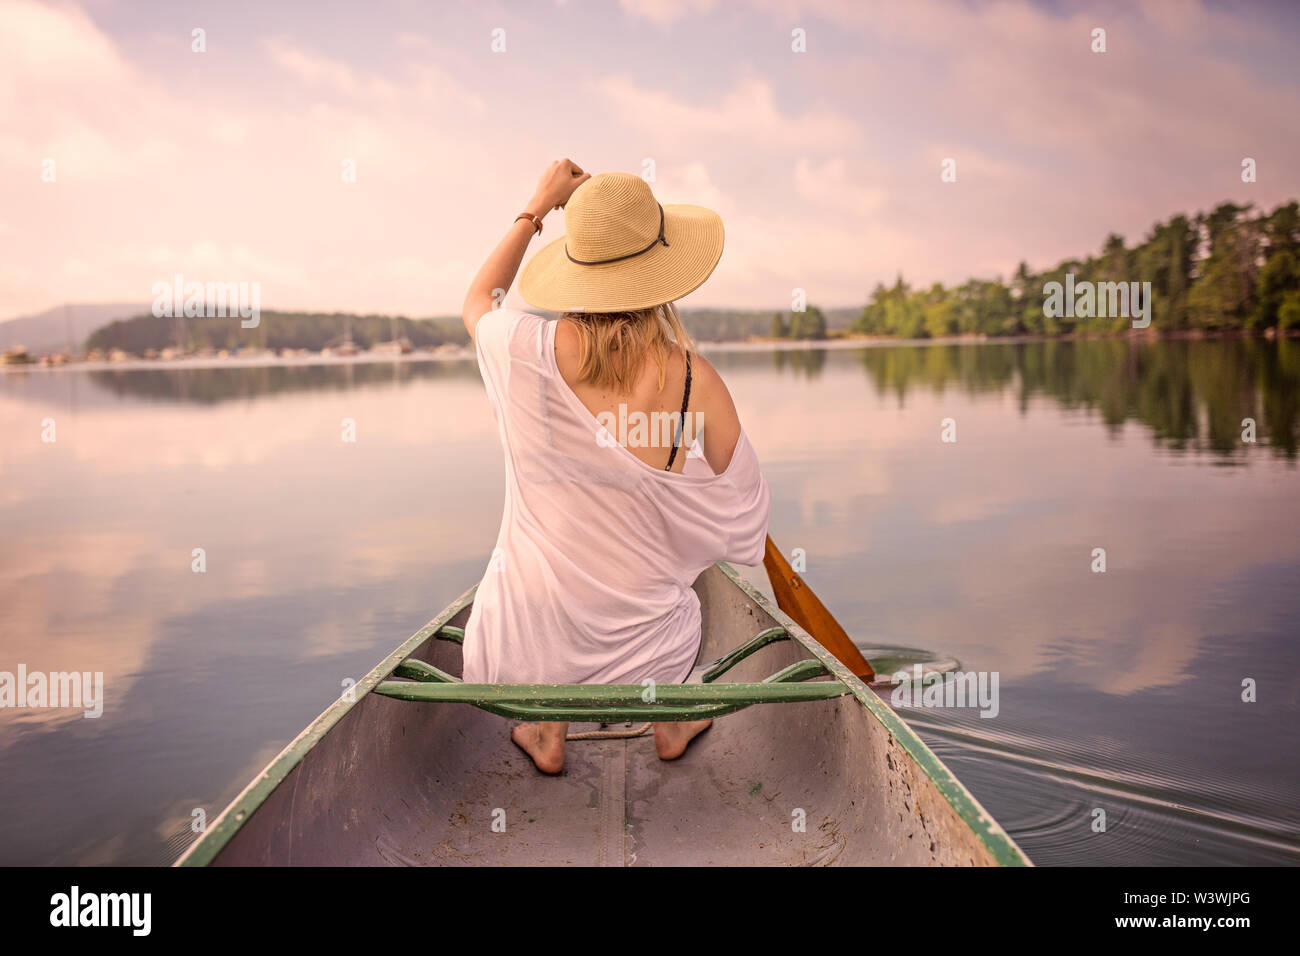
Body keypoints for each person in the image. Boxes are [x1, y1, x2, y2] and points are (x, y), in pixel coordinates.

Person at [460, 159, 770, 773]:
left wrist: (536, 206)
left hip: (519, 648)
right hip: (646, 652)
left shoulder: (518, 348)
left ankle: (546, 729)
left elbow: (478, 299)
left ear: (576, 268)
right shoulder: (692, 378)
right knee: (672, 599)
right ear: (661, 272)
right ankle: (672, 723)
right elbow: (744, 513)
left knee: (548, 585)